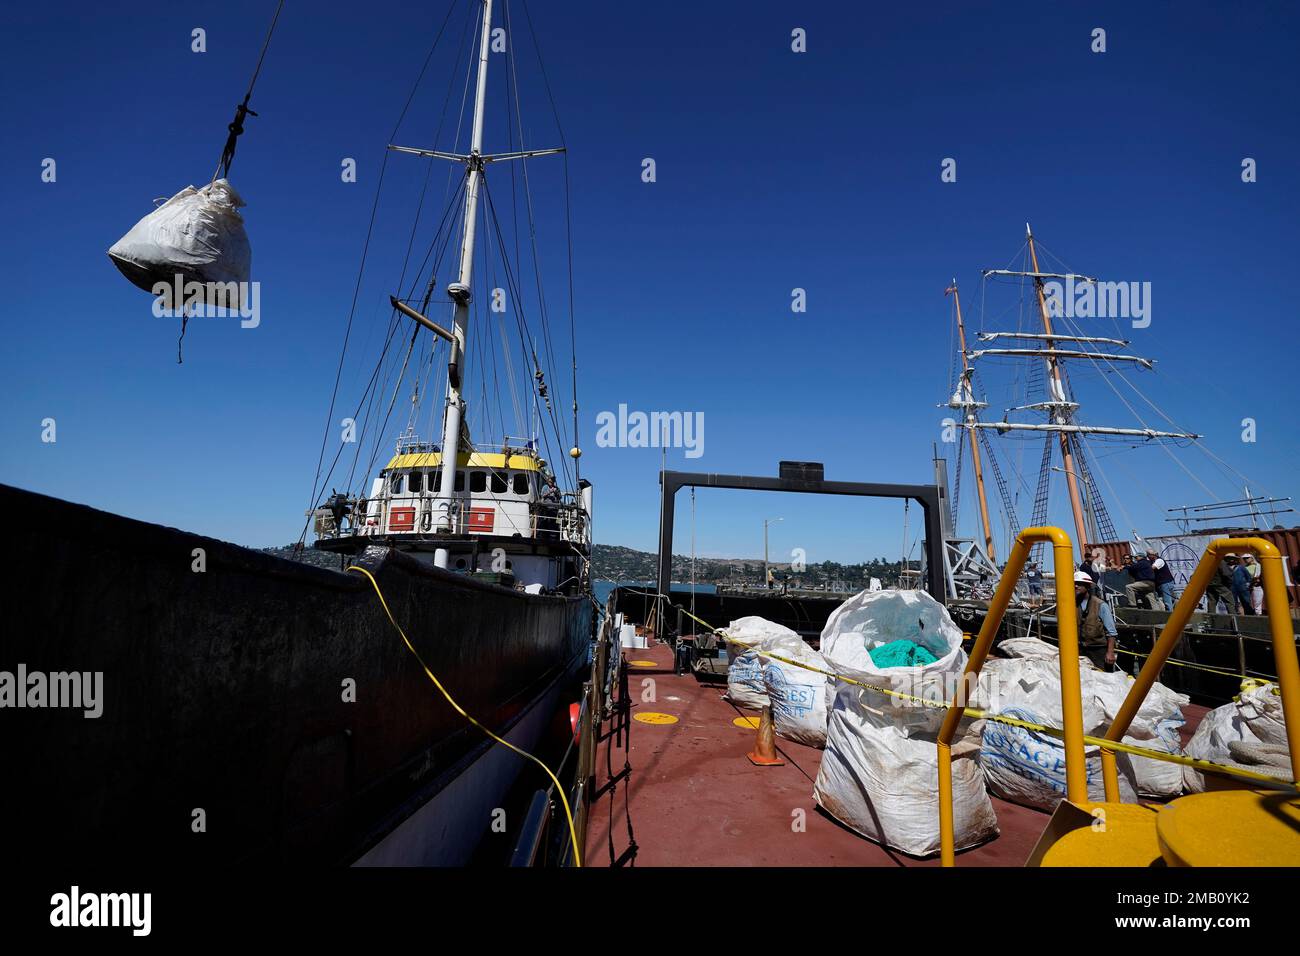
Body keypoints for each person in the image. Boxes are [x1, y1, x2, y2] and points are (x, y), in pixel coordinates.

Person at [1075, 570, 1118, 671]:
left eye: (1080, 584)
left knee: (1102, 679)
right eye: (1074, 584)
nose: (1076, 586)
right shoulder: (1071, 605)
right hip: (1079, 649)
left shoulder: (1100, 605)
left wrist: (1110, 652)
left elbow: (1111, 632)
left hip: (1098, 650)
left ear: (1088, 586)